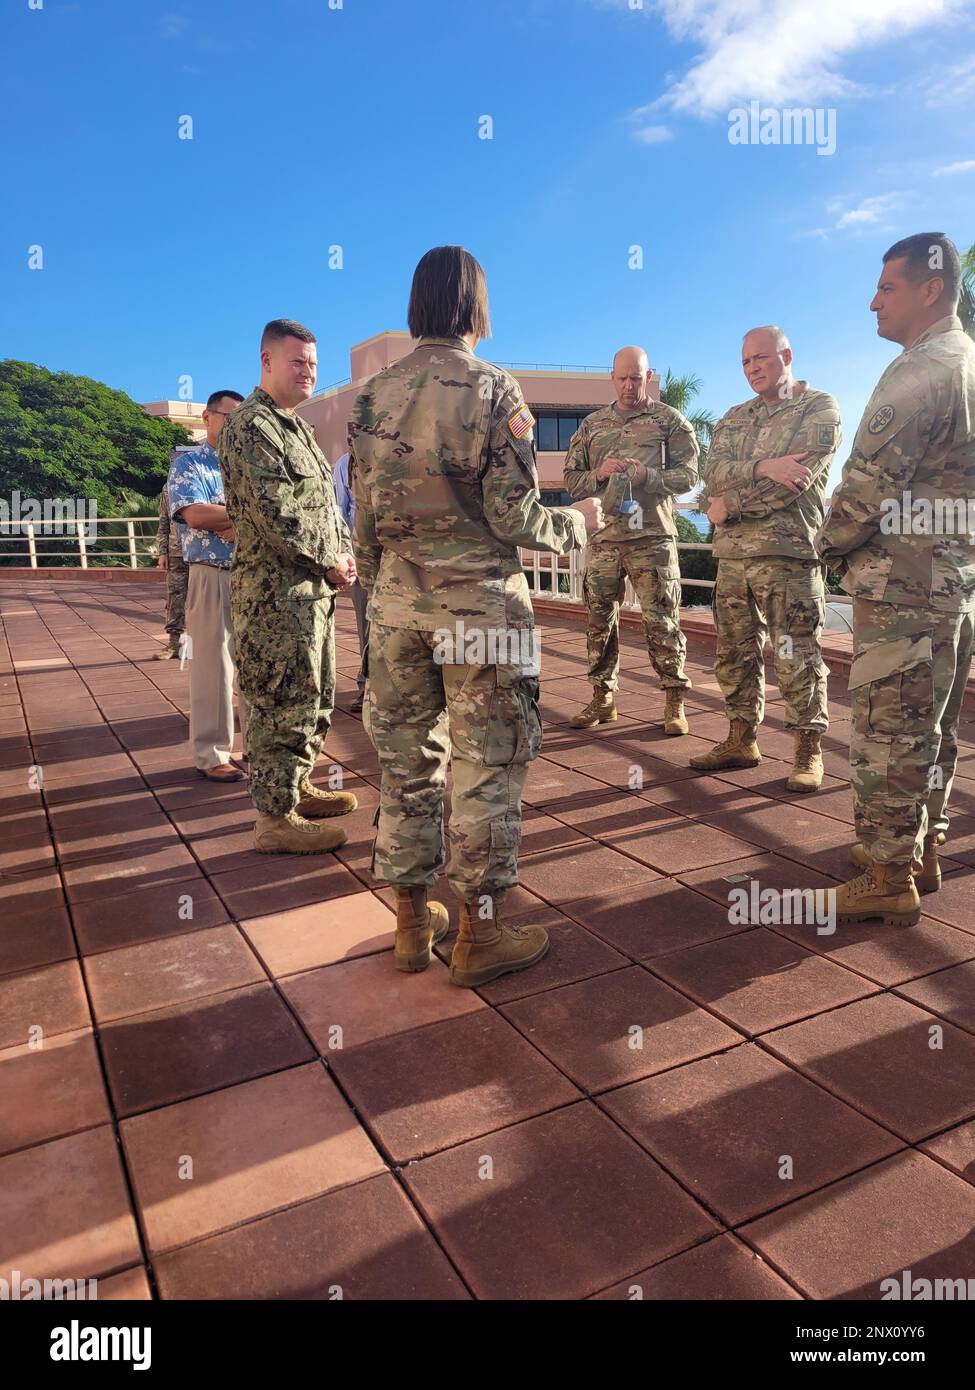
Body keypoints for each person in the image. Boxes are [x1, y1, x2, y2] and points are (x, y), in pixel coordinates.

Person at [348, 246, 603, 985]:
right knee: (486, 765)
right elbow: (512, 512)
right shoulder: (492, 388)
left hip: (395, 606)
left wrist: (386, 594)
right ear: (476, 307)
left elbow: (363, 522)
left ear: (416, 304)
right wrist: (576, 521)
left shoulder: (371, 397)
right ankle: (478, 936)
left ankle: (407, 921)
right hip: (479, 610)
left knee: (404, 764)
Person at [817, 232, 975, 926]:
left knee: (887, 729)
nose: (871, 302)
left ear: (929, 290)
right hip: (953, 579)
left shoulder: (920, 369)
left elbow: (866, 489)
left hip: (903, 585)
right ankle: (922, 850)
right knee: (933, 725)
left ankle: (886, 874)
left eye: (886, 288)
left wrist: (824, 548)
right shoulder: (968, 361)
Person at [218, 320, 359, 854]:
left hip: (311, 595)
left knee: (315, 695)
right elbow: (279, 514)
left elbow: (323, 508)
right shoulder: (252, 427)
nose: (308, 373)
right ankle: (273, 819)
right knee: (280, 701)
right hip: (276, 601)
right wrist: (332, 562)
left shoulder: (294, 426)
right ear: (267, 361)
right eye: (297, 362)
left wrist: (342, 555)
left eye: (314, 365)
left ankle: (294, 787)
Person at [691, 327, 841, 791]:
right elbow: (711, 475)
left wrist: (730, 505)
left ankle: (806, 751)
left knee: (796, 655)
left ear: (786, 356)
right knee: (734, 654)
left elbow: (794, 483)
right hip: (733, 558)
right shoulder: (735, 416)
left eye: (761, 359)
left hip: (788, 555)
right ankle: (741, 740)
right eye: (745, 362)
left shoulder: (820, 409)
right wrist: (764, 466)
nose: (753, 368)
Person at [562, 346, 699, 736]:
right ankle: (603, 699)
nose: (628, 385)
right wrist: (598, 475)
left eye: (636, 378)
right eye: (622, 378)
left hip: (652, 537)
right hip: (604, 538)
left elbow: (690, 476)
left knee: (662, 621)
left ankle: (674, 701)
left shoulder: (670, 421)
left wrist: (648, 478)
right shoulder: (591, 425)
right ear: (612, 377)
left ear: (648, 376)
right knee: (598, 622)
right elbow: (571, 480)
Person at [168, 391, 248, 783]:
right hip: (212, 573)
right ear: (207, 417)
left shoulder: (252, 463)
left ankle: (259, 747)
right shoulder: (191, 463)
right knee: (213, 667)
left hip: (254, 575)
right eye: (228, 417)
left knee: (257, 665)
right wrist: (249, 516)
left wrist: (232, 521)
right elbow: (195, 513)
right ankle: (212, 753)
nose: (235, 426)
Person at [332, 451, 369, 714]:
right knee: (366, 626)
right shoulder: (345, 463)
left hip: (406, 560)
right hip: (365, 559)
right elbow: (340, 513)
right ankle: (367, 687)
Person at [153, 473, 189, 660]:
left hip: (205, 553)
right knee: (175, 597)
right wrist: (162, 552)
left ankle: (204, 645)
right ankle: (174, 644)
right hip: (177, 552)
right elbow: (164, 522)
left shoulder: (213, 478)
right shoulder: (169, 487)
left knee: (207, 601)